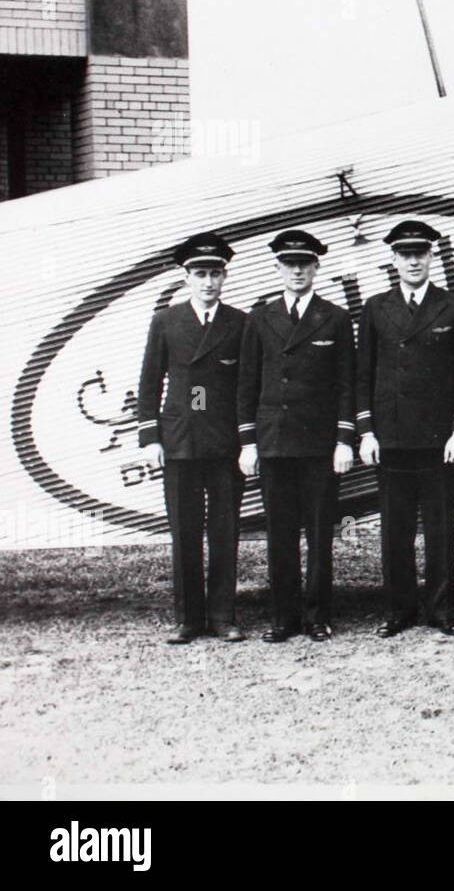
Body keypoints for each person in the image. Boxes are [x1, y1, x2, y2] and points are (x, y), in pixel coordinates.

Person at [357, 220, 454, 638]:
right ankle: (398, 611)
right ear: (393, 259)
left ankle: (442, 611)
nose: (413, 261)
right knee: (396, 530)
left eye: (420, 254)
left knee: (440, 529)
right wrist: (367, 432)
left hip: (439, 440)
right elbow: (363, 374)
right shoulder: (375, 307)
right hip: (391, 439)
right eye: (405, 254)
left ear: (431, 258)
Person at [237, 230, 355, 642]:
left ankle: (317, 615)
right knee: (281, 534)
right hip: (275, 442)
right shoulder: (260, 318)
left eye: (305, 263)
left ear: (317, 267)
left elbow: (346, 385)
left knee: (320, 534)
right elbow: (246, 384)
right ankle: (283, 617)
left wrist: (344, 440)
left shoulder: (336, 318)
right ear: (277, 268)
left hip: (320, 446)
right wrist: (249, 442)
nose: (297, 270)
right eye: (289, 263)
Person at [137, 232, 246, 645]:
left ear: (225, 277)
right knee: (184, 530)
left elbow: (246, 384)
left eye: (215, 273)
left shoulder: (239, 322)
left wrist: (245, 439)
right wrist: (151, 437)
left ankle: (222, 615)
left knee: (224, 531)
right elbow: (150, 383)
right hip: (180, 441)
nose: (208, 282)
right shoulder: (166, 321)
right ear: (186, 278)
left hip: (223, 443)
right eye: (200, 274)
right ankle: (188, 617)